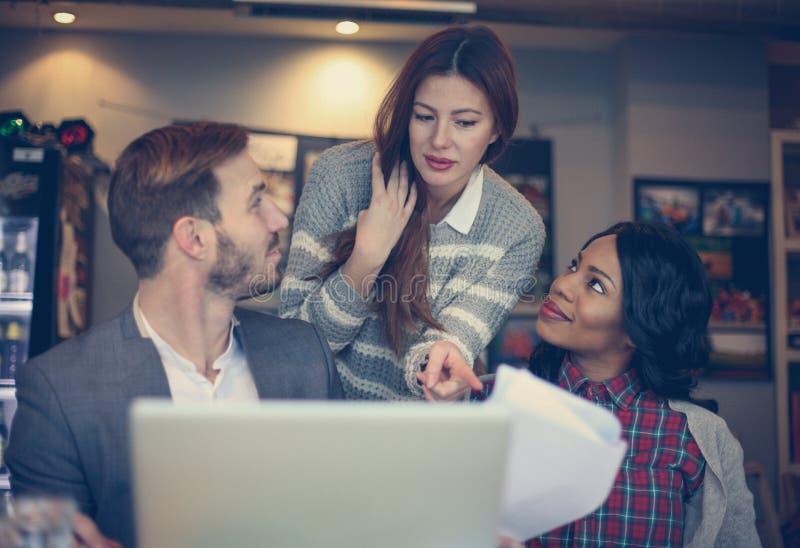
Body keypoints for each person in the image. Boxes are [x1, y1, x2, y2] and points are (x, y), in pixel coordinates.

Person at [6, 122, 344, 548]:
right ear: (193, 238)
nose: (279, 217)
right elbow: (39, 540)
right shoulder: (57, 392)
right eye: (256, 201)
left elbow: (350, 514)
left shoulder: (307, 356)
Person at [280, 24, 545, 400]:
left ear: (496, 130)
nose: (439, 140)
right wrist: (366, 259)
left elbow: (451, 339)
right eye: (424, 116)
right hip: (320, 423)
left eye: (465, 123)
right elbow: (295, 344)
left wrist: (438, 365)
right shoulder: (338, 175)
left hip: (422, 430)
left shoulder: (518, 228)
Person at [526, 221, 758, 547]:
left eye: (596, 285)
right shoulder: (492, 402)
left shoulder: (700, 438)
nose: (562, 284)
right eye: (574, 266)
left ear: (640, 327)